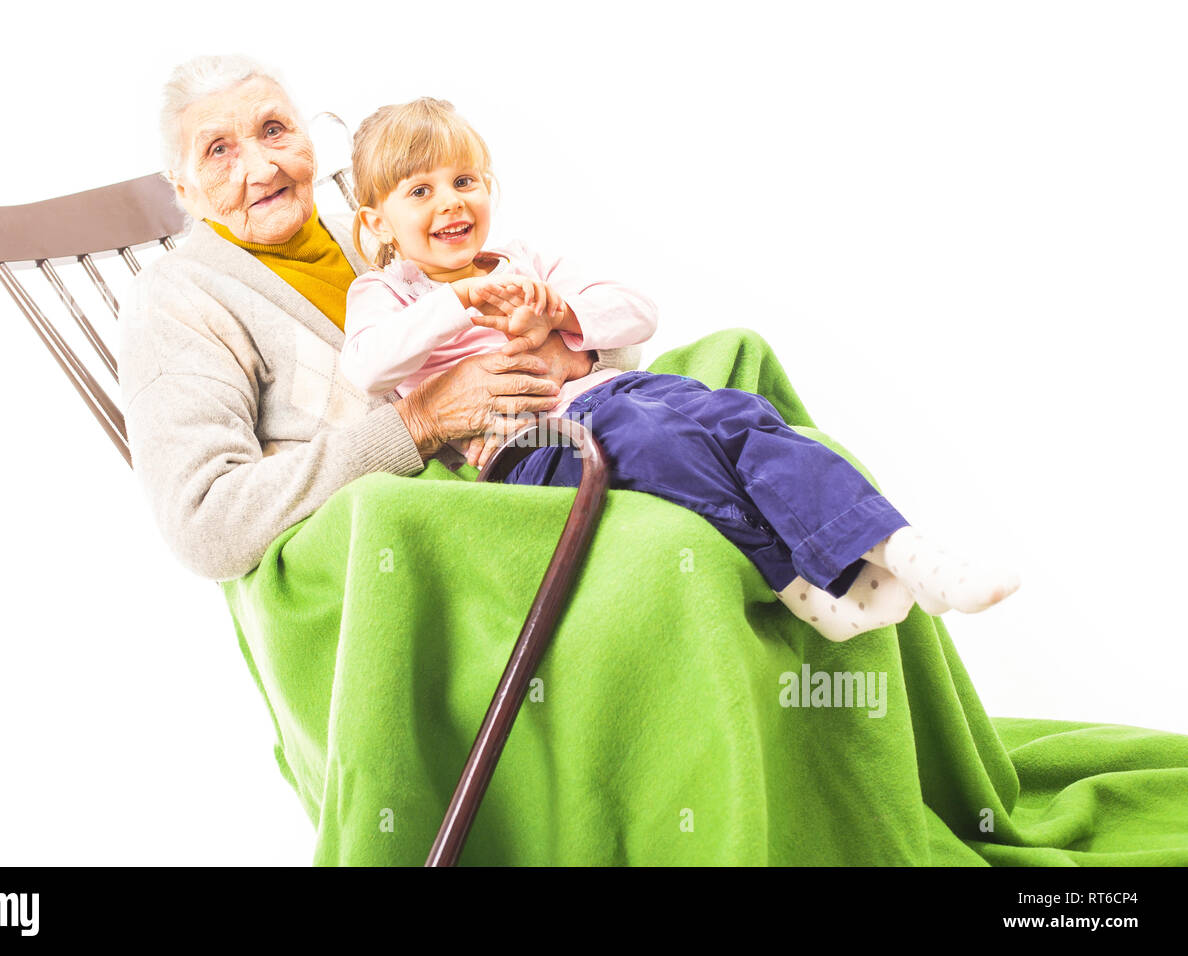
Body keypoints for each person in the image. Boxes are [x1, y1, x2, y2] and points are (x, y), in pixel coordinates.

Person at [339, 97, 1021, 642]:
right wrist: (456, 302)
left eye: (464, 182)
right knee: (650, 442)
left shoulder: (527, 263)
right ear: (378, 222)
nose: (451, 203)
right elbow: (368, 365)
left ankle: (898, 546)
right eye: (420, 192)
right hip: (531, 446)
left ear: (490, 187)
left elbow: (639, 311)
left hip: (616, 391)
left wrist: (561, 318)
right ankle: (798, 582)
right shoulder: (391, 293)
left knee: (738, 415)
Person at [118, 56, 640, 581]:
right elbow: (208, 526)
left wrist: (559, 354)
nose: (261, 168)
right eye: (218, 150)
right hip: (383, 552)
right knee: (661, 540)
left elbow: (602, 320)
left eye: (274, 130)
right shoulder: (172, 301)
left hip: (529, 455)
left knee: (718, 371)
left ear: (309, 141)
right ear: (181, 188)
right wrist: (421, 421)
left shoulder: (390, 232)